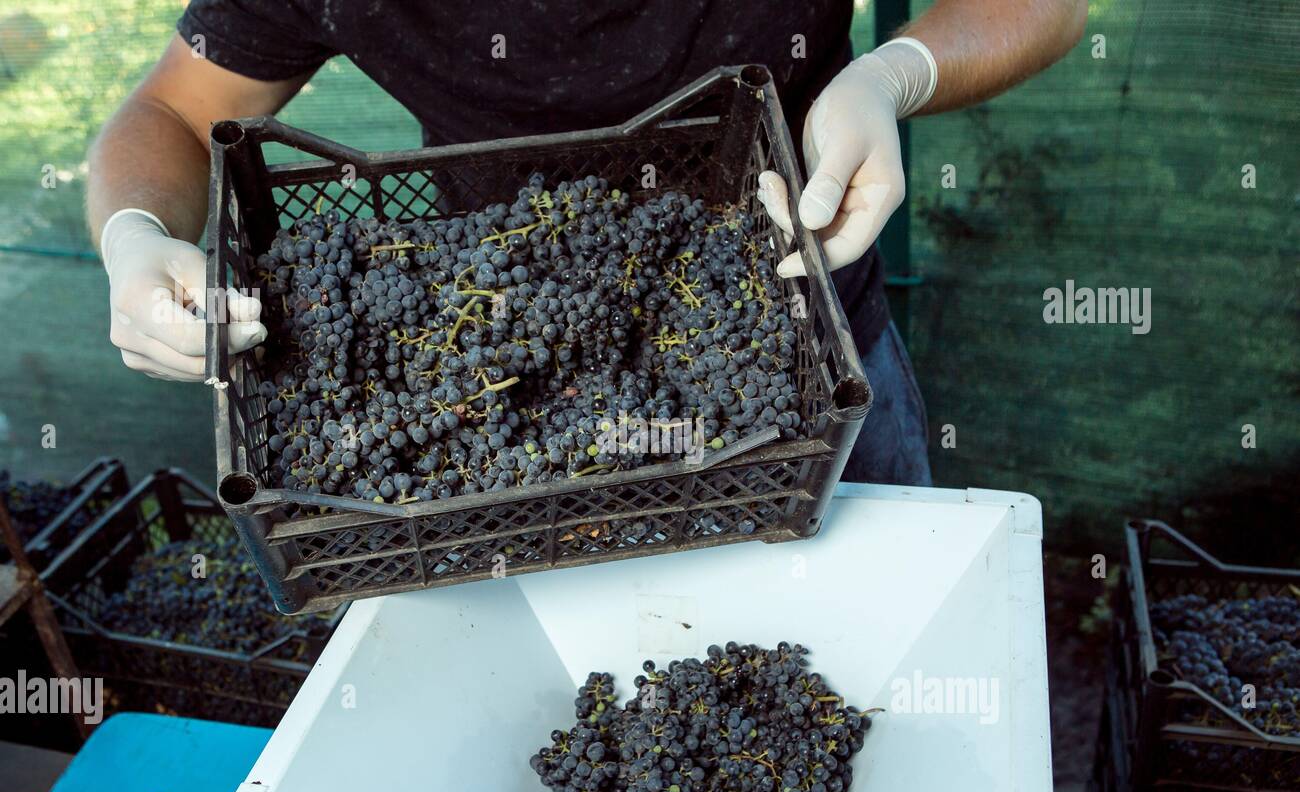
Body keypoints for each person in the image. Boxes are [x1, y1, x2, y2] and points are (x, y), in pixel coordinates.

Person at [89, 0, 1086, 487]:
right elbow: (176, 111)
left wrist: (892, 76)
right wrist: (134, 237)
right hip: (505, 410)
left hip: (805, 356)